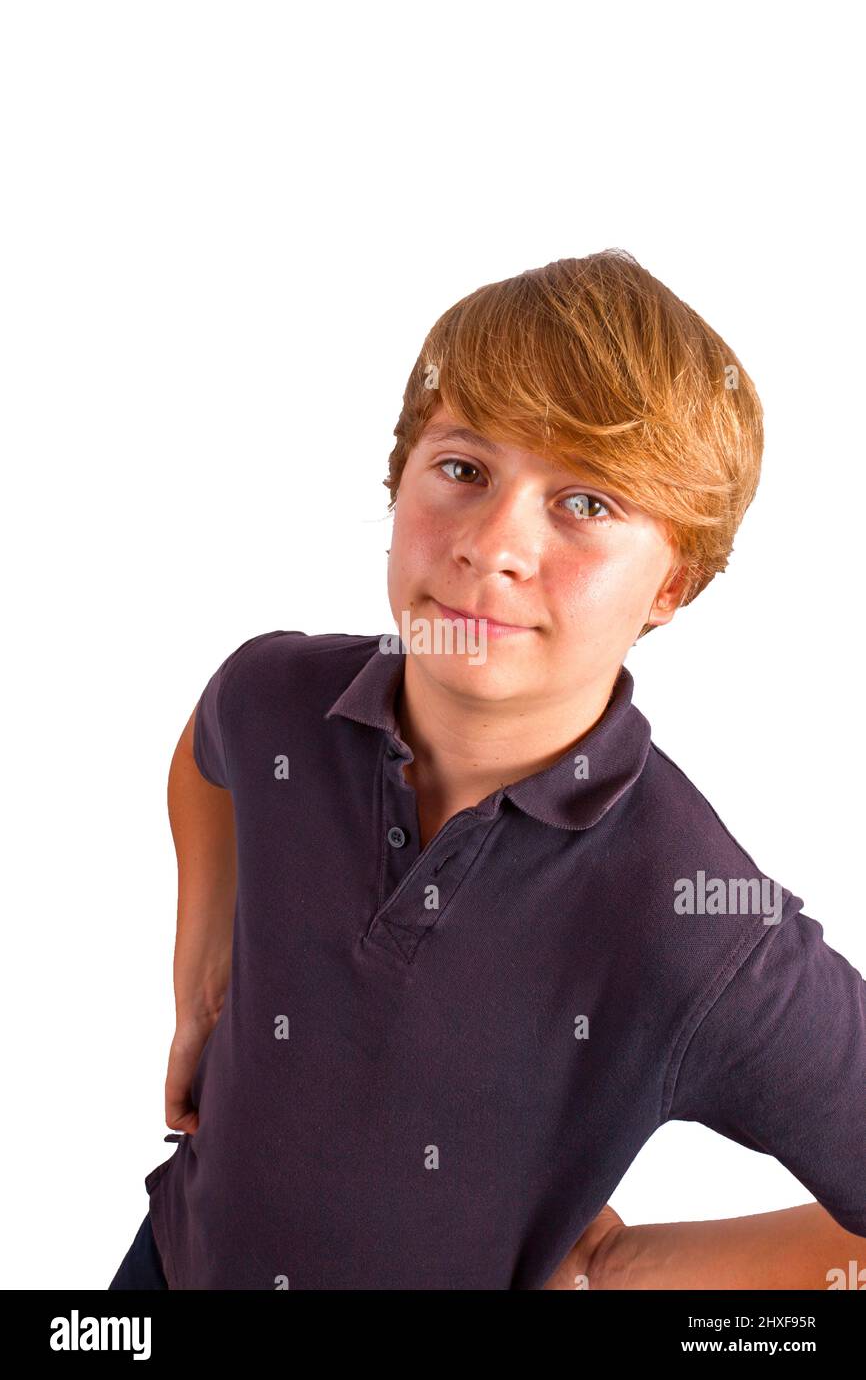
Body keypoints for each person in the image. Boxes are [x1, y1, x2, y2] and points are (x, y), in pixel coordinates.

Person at [110, 249, 866, 1290]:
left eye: (586, 504)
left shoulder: (695, 921)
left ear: (670, 586)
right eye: (462, 469)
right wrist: (201, 975)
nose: (491, 544)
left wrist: (619, 1270)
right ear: (398, 482)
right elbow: (210, 753)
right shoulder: (275, 693)